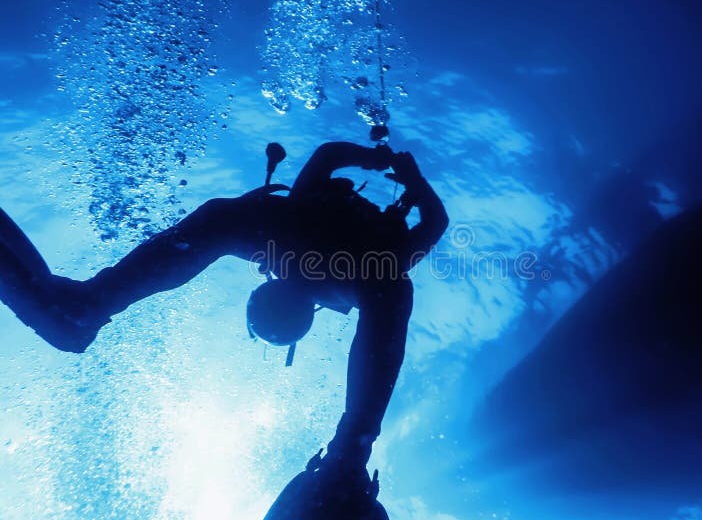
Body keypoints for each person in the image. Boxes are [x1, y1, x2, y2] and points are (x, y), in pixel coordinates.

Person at [0, 141, 448, 472]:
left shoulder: (309, 232)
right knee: (389, 290)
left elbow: (331, 157)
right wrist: (409, 178)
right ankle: (353, 445)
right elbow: (433, 220)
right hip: (330, 258)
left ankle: (93, 304)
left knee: (224, 219)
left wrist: (385, 162)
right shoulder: (374, 272)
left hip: (291, 240)